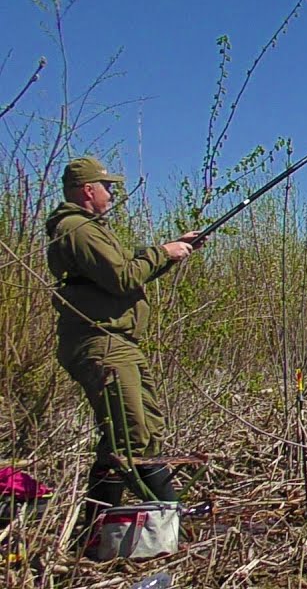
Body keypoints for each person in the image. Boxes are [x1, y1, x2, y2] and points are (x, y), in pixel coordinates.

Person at [44, 156, 202, 538]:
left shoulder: (87, 230)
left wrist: (176, 249)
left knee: (129, 433)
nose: (112, 193)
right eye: (107, 186)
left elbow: (124, 277)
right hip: (102, 344)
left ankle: (96, 531)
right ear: (88, 190)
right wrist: (163, 253)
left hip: (115, 343)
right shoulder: (78, 230)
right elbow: (123, 276)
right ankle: (171, 521)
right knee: (134, 437)